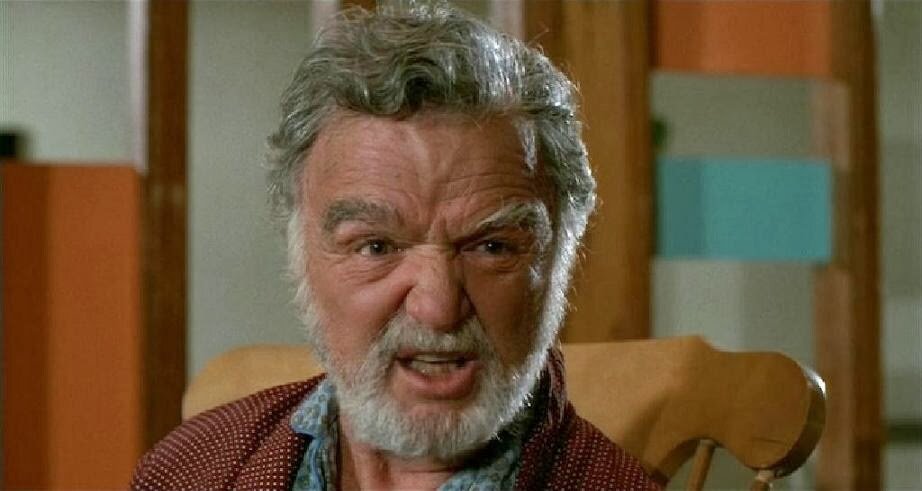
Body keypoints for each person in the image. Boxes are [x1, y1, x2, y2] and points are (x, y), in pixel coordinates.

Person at [131, 2, 658, 490]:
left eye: (492, 247)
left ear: (564, 256)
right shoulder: (186, 471)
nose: (437, 308)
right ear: (300, 254)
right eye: (377, 247)